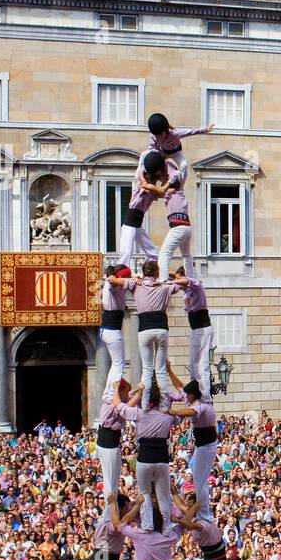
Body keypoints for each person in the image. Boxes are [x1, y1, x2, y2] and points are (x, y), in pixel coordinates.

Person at [107, 260, 179, 410]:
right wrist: (168, 275)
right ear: (157, 273)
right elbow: (182, 282)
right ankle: (164, 405)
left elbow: (111, 279)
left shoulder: (135, 284)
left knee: (147, 369)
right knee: (160, 370)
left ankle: (145, 405)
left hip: (144, 328)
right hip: (161, 328)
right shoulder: (164, 286)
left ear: (144, 272)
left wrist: (134, 277)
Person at [113, 379, 183, 530]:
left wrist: (115, 389)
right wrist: (171, 410)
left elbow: (120, 407)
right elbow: (180, 417)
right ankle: (166, 527)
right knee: (163, 495)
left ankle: (147, 525)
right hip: (162, 459)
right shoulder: (168, 416)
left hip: (144, 458)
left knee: (144, 493)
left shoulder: (140, 414)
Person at [168, 380, 219, 525]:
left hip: (207, 445)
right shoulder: (195, 400)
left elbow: (191, 411)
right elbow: (180, 387)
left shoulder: (201, 405)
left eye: (188, 395)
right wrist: (170, 370)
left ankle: (204, 514)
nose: (186, 397)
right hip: (202, 445)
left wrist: (174, 411)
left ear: (193, 394)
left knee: (200, 481)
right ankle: (204, 511)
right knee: (199, 480)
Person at [116, 151, 172, 271]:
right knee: (126, 253)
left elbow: (163, 194)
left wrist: (174, 189)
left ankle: (146, 274)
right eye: (156, 180)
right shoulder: (141, 185)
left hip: (137, 225)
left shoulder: (153, 192)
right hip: (129, 225)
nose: (157, 182)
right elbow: (141, 169)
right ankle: (118, 278)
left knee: (153, 253)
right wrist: (164, 188)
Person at [171, 269, 212, 398]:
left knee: (202, 364)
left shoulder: (196, 285)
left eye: (179, 279)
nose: (177, 283)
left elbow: (187, 280)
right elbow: (177, 275)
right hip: (196, 329)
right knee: (193, 364)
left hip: (203, 328)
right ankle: (196, 391)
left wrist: (169, 282)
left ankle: (205, 395)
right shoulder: (188, 289)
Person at [94, 265, 128, 395]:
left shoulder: (108, 284)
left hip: (107, 329)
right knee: (119, 363)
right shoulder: (114, 286)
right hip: (112, 330)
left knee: (115, 363)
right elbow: (117, 282)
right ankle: (111, 395)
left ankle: (108, 392)